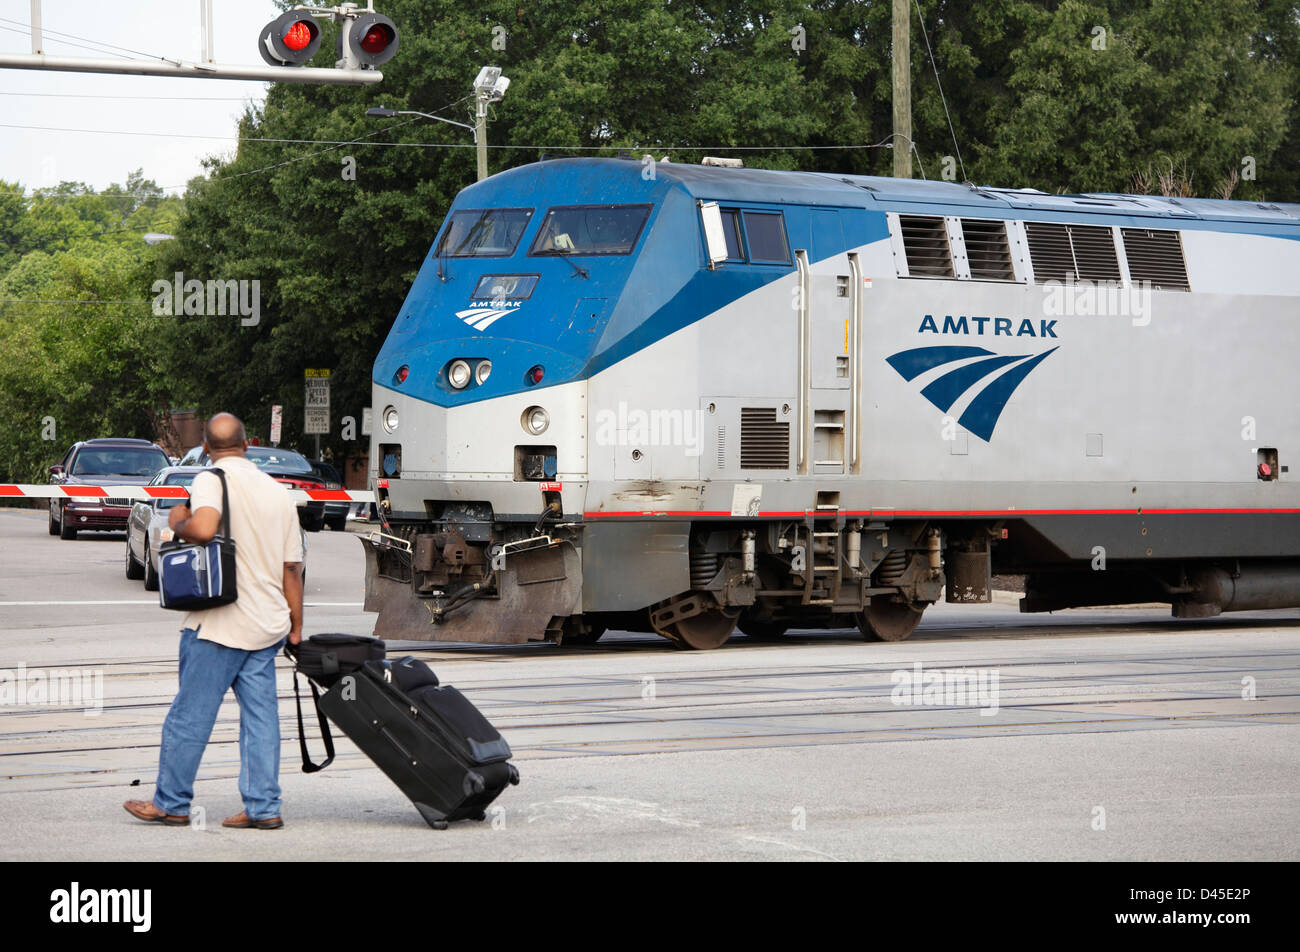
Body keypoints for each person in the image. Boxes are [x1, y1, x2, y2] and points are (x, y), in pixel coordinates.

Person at [124, 413, 304, 830]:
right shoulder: (279, 493)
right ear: (248, 444)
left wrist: (177, 522)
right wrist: (295, 628)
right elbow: (291, 569)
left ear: (206, 447)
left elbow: (203, 528)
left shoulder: (210, 478)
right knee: (261, 721)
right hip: (266, 626)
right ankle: (264, 808)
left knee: (190, 715)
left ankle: (171, 803)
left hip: (219, 625)